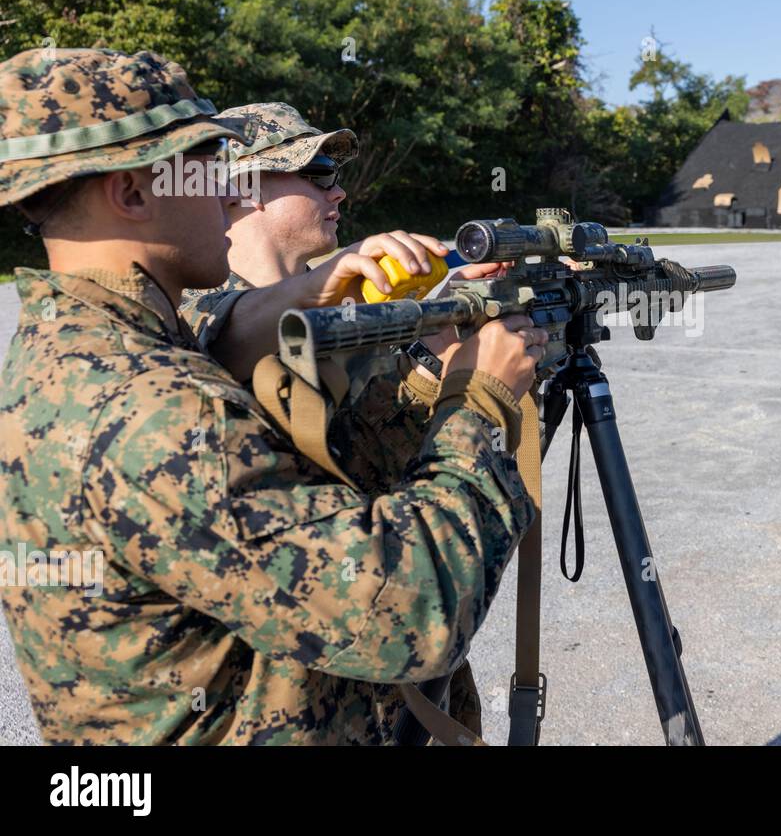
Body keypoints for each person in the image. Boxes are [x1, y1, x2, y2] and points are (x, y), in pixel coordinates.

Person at [0, 47, 544, 744]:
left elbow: (221, 357)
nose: (227, 192)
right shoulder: (155, 408)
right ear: (134, 193)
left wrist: (304, 300)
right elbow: (413, 610)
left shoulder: (74, 346)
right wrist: (481, 397)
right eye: (203, 164)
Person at [178, 100, 496, 734]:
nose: (340, 189)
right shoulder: (190, 325)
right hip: (285, 696)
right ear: (242, 186)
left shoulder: (345, 303)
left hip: (389, 677)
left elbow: (370, 461)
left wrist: (444, 357)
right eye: (318, 171)